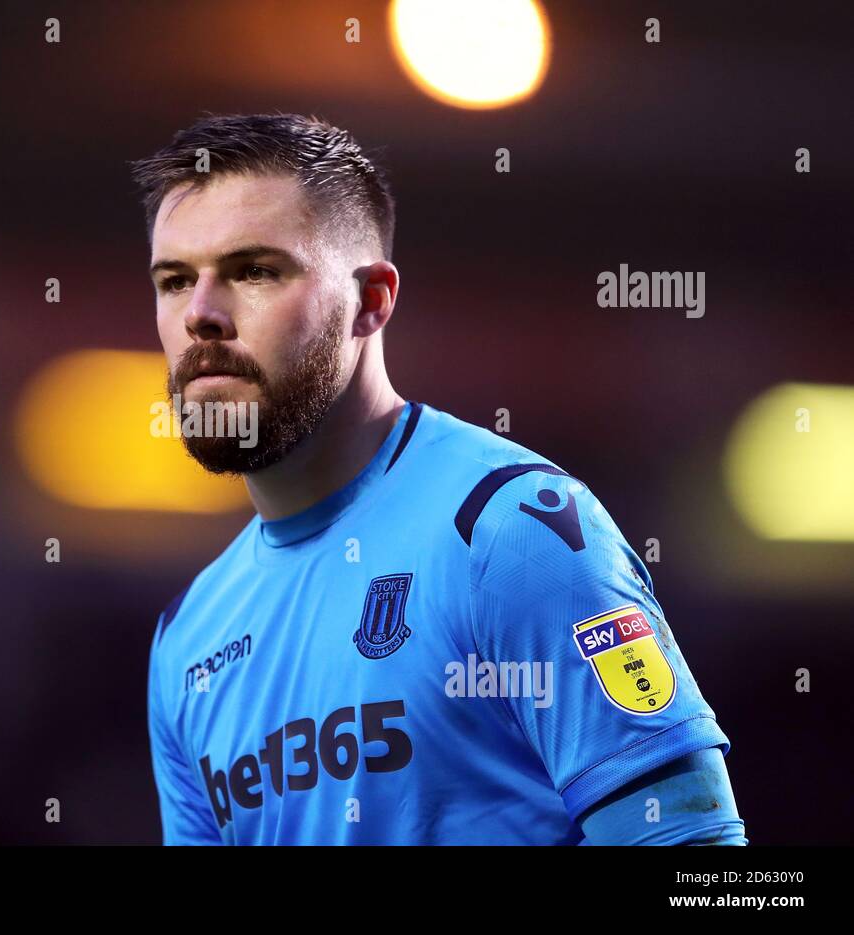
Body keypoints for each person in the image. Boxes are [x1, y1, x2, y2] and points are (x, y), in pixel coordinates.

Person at [131, 113, 745, 845]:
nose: (201, 314)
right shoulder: (188, 635)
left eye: (254, 271)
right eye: (174, 281)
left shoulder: (511, 531)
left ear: (371, 301)